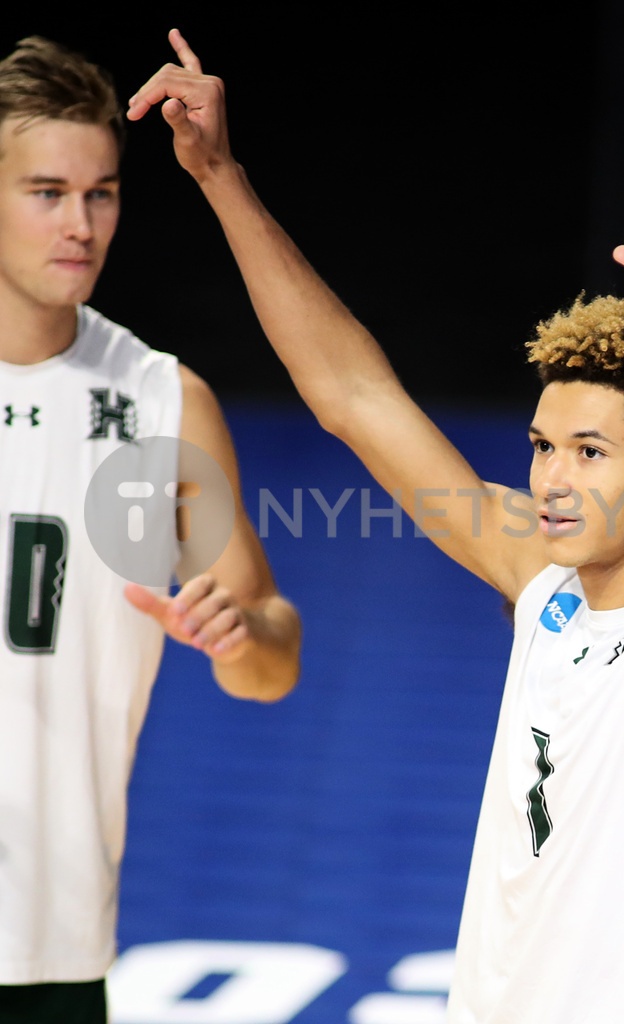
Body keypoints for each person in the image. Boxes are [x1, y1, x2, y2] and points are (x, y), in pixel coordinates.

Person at [130, 29, 624, 1023]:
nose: (551, 479)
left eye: (588, 451)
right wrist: (219, 175)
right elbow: (354, 395)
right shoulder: (541, 579)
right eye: (541, 445)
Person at [0, 34, 301, 1023]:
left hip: (52, 935)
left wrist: (239, 633)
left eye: (103, 193)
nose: (80, 224)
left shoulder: (161, 399)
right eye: (46, 192)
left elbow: (271, 658)